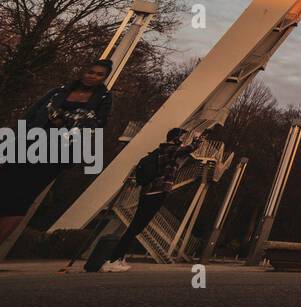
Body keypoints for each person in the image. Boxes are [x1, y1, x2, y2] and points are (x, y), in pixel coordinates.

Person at [0, 59, 114, 247]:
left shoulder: (102, 100)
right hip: (26, 145)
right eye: (91, 72)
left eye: (99, 74)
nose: (93, 76)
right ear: (83, 71)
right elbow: (29, 117)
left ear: (104, 78)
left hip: (54, 154)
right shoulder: (58, 92)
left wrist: (65, 124)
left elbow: (94, 127)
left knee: (21, 199)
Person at [98, 128, 199, 272]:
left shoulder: (165, 151)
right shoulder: (169, 149)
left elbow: (182, 155)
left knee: (137, 227)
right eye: (182, 137)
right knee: (136, 227)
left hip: (153, 191)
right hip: (154, 192)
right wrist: (196, 139)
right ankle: (112, 260)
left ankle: (118, 257)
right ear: (175, 138)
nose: (183, 140)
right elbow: (188, 149)